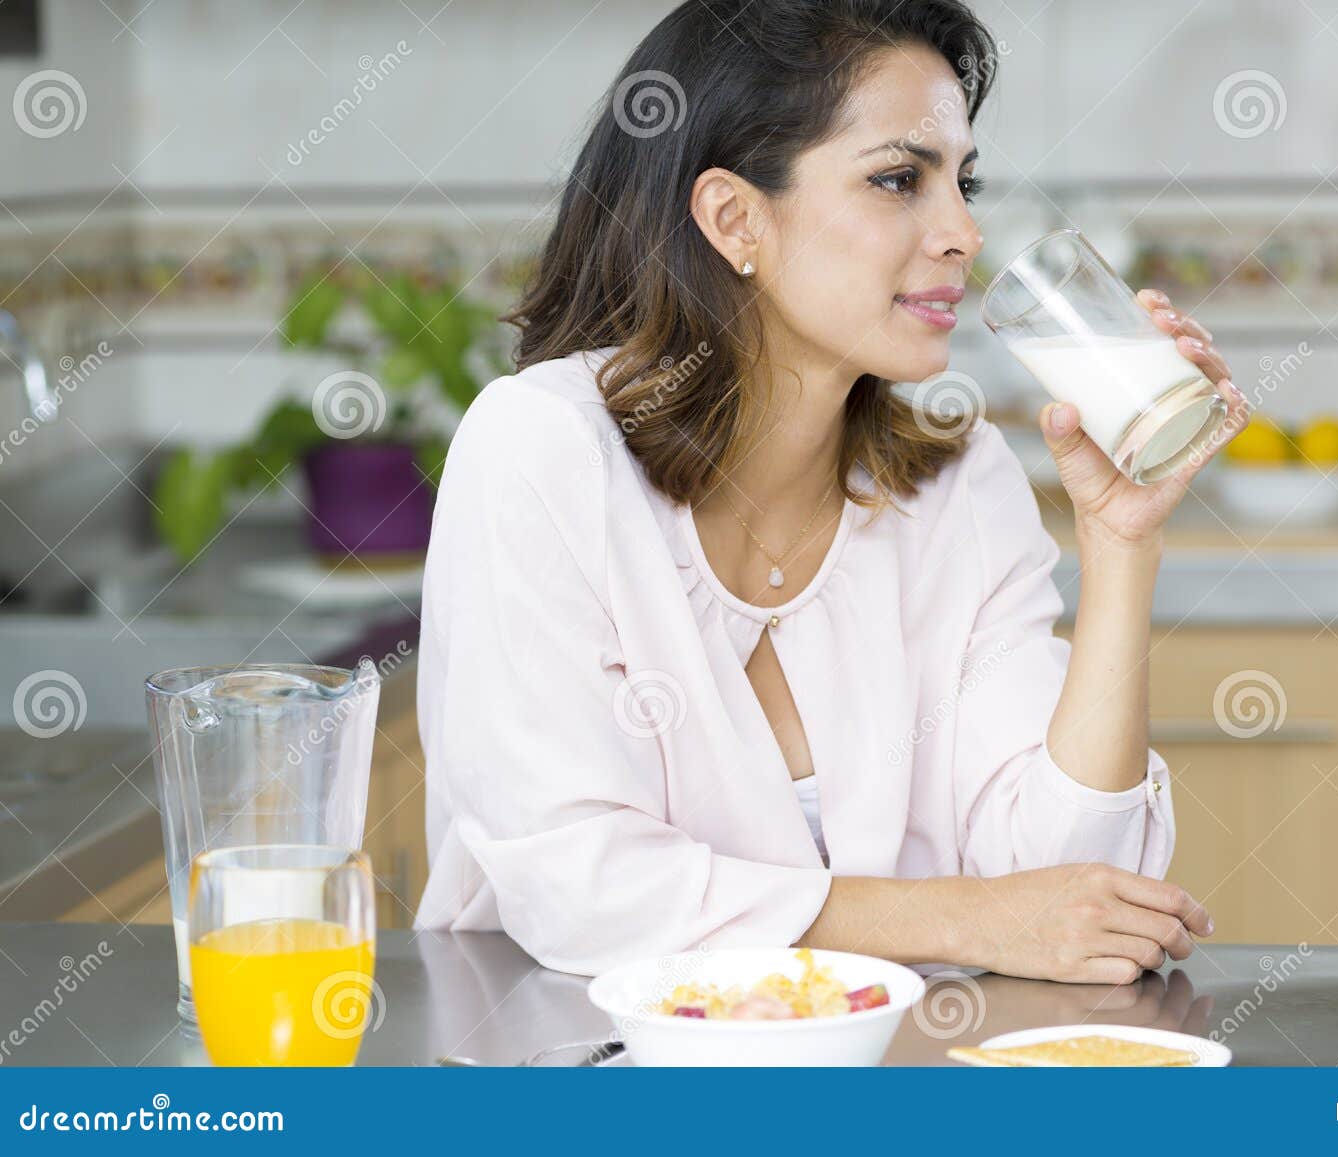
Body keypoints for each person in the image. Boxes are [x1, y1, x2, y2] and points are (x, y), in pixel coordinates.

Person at [414, 0, 1248, 981]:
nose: (963, 232)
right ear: (734, 219)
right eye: (899, 179)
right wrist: (963, 918)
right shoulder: (543, 448)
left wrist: (1119, 545)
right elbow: (579, 887)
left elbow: (1072, 894)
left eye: (961, 182)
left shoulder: (957, 484)